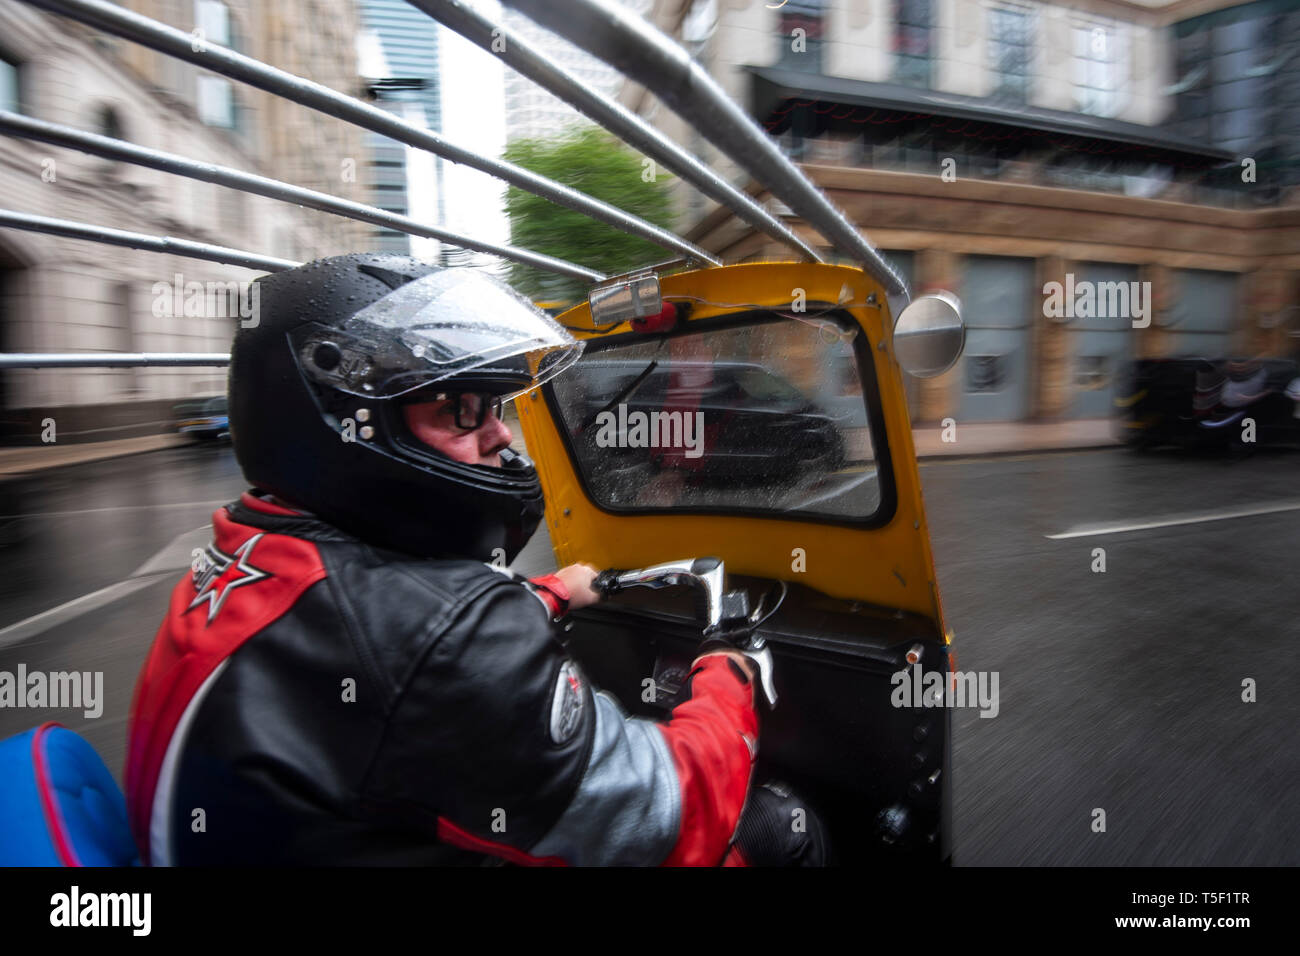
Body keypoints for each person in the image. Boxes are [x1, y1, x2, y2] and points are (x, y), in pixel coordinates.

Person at [124, 253, 825, 866]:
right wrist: (727, 668)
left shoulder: (244, 549)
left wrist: (546, 592)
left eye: (494, 406)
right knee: (777, 826)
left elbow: (386, 644)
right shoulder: (444, 640)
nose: (501, 436)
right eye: (459, 411)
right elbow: (678, 811)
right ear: (342, 427)